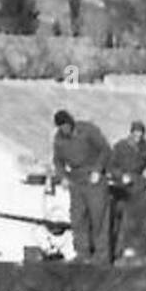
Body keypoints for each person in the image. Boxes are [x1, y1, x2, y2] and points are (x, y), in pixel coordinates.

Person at [52, 110, 112, 262]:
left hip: (94, 178)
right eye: (60, 127)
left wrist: (98, 170)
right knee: (78, 219)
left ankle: (101, 256)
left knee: (98, 217)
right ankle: (82, 253)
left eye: (65, 125)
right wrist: (63, 177)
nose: (64, 129)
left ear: (71, 122)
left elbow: (105, 149)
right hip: (75, 179)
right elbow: (58, 161)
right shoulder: (59, 139)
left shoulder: (87, 130)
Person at [109, 120, 146, 257]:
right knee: (124, 221)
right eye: (136, 133)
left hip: (139, 186)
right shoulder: (120, 147)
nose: (138, 136)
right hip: (123, 189)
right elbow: (111, 167)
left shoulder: (145, 147)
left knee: (139, 220)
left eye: (141, 133)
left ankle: (136, 250)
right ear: (131, 133)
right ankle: (119, 251)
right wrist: (121, 176)